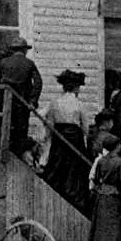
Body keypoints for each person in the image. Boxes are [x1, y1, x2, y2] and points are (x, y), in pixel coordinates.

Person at [40, 69, 92, 212]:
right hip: (75, 139)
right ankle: (74, 199)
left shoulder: (54, 102)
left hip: (59, 139)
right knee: (75, 170)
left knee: (58, 167)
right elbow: (85, 127)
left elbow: (49, 125)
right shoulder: (79, 104)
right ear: (76, 88)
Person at [0, 36, 42, 158]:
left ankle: (5, 154)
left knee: (5, 128)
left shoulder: (3, 63)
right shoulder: (29, 64)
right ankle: (18, 155)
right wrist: (32, 101)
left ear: (12, 50)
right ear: (24, 50)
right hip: (23, 104)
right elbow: (38, 83)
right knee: (21, 131)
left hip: (5, 104)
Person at [87, 133, 121, 241]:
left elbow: (96, 178)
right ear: (116, 147)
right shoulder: (120, 162)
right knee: (115, 226)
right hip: (114, 195)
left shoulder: (100, 161)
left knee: (101, 226)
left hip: (102, 195)